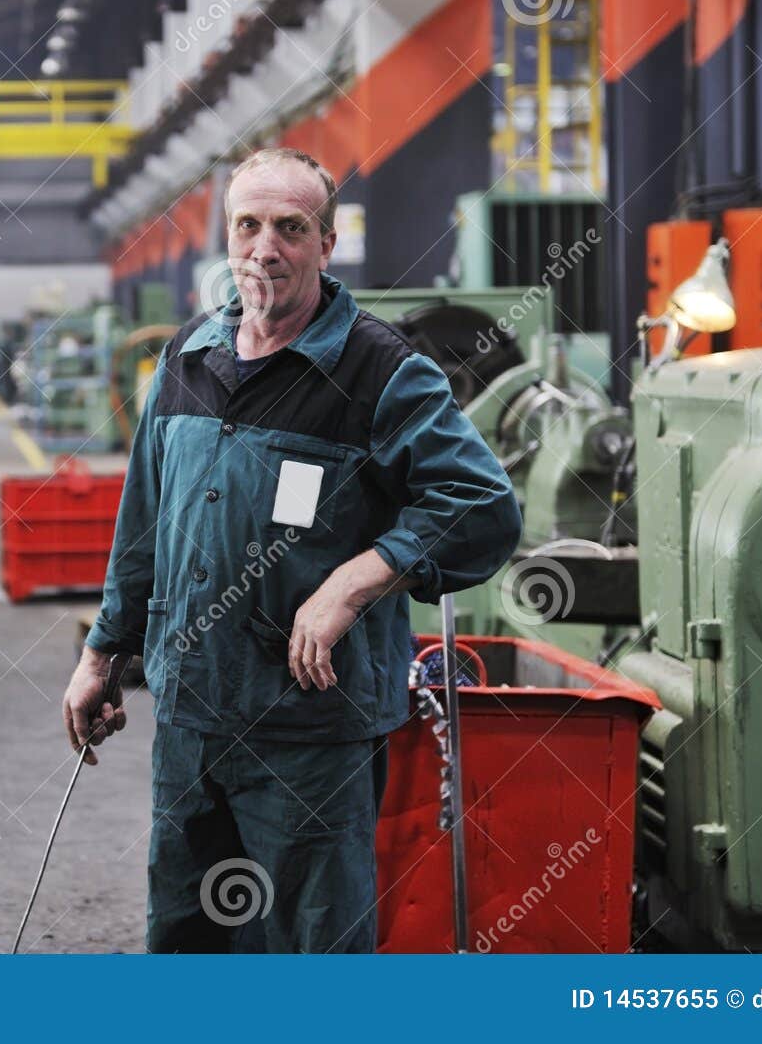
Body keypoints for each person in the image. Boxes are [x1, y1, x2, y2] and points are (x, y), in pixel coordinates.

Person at [62, 147, 521, 953]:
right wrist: (104, 649)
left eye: (290, 228)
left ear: (326, 243)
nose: (265, 248)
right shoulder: (187, 359)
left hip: (308, 732)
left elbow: (483, 504)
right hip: (192, 721)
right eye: (248, 226)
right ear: (228, 239)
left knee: (314, 948)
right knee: (189, 938)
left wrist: (358, 577)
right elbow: (143, 527)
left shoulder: (382, 371)